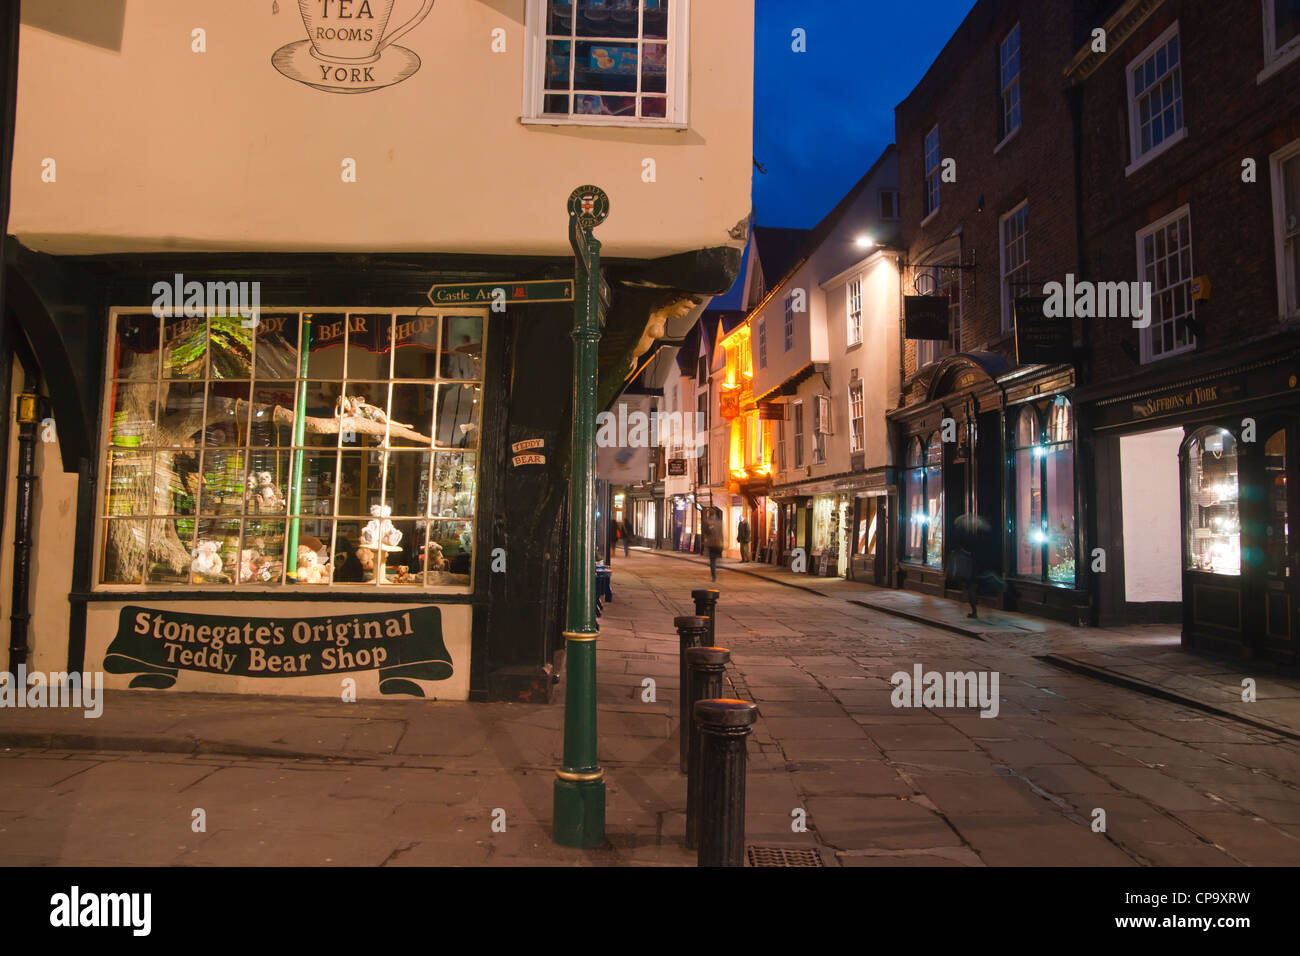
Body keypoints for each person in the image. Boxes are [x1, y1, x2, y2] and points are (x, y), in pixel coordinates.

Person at [702, 507, 724, 582]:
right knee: (716, 559)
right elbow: (721, 534)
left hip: (711, 544)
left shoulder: (707, 522)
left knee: (712, 560)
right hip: (718, 544)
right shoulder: (719, 522)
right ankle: (716, 570)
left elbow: (705, 533)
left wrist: (705, 542)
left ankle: (714, 575)